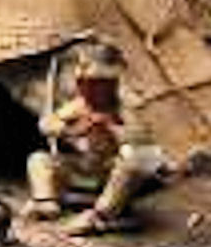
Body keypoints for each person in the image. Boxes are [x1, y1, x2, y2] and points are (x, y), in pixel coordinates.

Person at [25, 41, 162, 235]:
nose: (89, 89)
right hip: (85, 168)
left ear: (111, 84)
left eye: (97, 84)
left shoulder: (125, 106)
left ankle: (101, 214)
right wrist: (72, 129)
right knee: (39, 160)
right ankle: (45, 202)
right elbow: (46, 125)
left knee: (140, 160)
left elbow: (143, 139)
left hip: (111, 171)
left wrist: (110, 127)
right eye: (85, 83)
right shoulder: (80, 105)